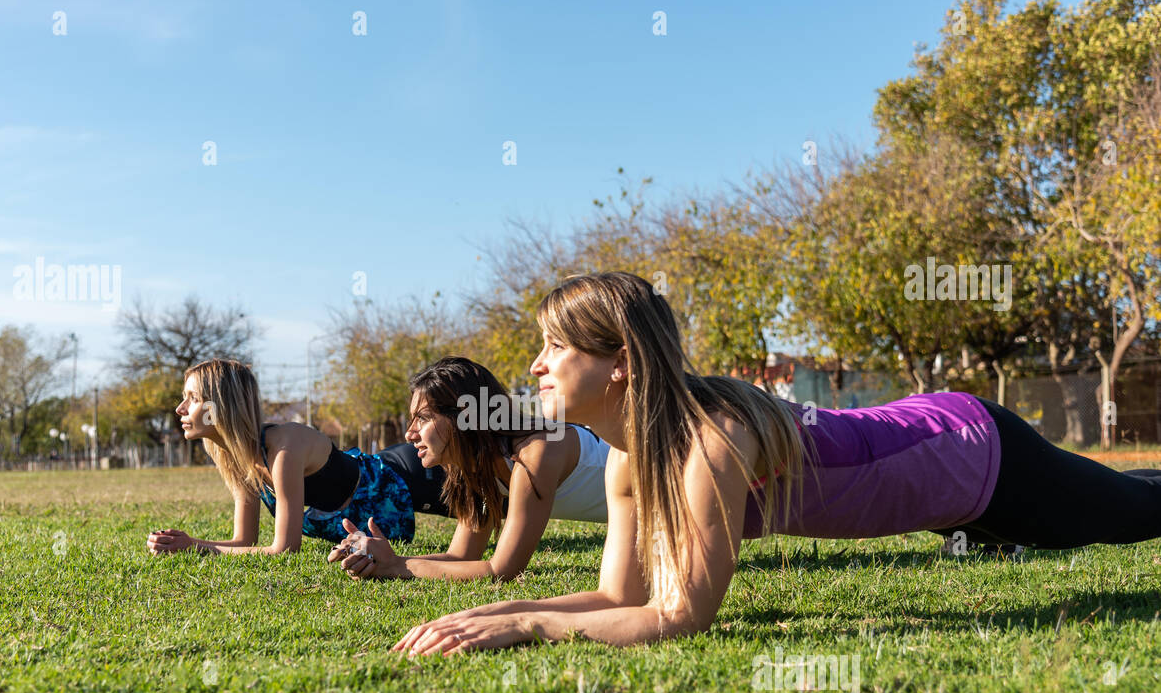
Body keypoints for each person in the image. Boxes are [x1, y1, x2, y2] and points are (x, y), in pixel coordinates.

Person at [393, 271, 1161, 656]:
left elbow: (680, 617)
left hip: (974, 454)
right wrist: (486, 616)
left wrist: (527, 621)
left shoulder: (713, 440)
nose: (534, 365)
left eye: (555, 346)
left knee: (1133, 512)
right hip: (947, 500)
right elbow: (616, 593)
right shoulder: (631, 458)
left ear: (619, 362)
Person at [330, 355, 609, 580]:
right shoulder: (474, 466)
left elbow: (502, 570)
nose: (410, 434)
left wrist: (395, 566)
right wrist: (380, 556)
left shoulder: (535, 453)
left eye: (424, 418)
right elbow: (460, 557)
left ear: (464, 419)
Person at [146, 357, 447, 557]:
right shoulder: (238, 458)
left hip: (411, 475)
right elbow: (244, 542)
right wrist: (188, 546)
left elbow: (285, 549)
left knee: (492, 506)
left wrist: (196, 545)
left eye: (193, 398)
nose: (181, 409)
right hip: (398, 481)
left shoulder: (283, 448)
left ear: (221, 405)